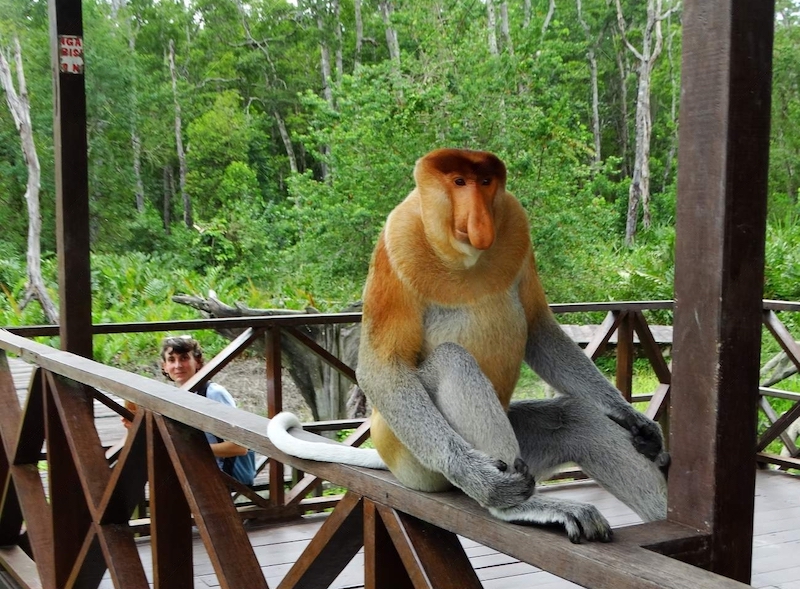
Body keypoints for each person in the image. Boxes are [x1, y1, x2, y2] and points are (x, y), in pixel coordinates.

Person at [123, 335, 256, 487]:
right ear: (164, 366)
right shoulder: (175, 396)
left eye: (184, 358)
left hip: (223, 476)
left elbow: (239, 447)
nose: (178, 365)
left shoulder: (213, 393)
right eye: (171, 360)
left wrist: (189, 450)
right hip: (196, 472)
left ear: (198, 362)